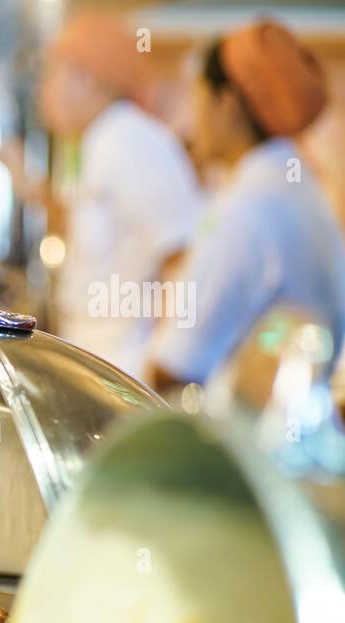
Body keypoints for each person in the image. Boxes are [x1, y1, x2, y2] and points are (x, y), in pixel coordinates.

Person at [148, 21, 345, 390]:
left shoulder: (248, 210)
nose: (194, 117)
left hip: (240, 444)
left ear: (227, 103)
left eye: (199, 96)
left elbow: (176, 369)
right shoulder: (300, 188)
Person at [38, 11, 202, 379]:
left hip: (126, 373)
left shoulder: (130, 140)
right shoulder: (99, 141)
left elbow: (181, 257)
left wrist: (162, 372)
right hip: (98, 364)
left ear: (91, 78)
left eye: (55, 72)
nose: (45, 90)